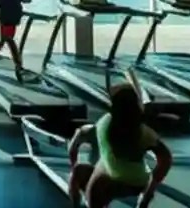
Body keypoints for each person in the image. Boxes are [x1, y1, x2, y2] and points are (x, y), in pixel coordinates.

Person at [68, 78, 173, 208]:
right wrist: (148, 192)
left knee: (88, 175)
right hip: (136, 182)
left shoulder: (104, 124)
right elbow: (166, 159)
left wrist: (73, 163)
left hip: (115, 182)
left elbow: (78, 138)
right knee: (96, 174)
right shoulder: (142, 132)